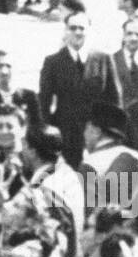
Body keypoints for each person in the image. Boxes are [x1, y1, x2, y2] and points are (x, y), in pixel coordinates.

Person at [38, 11, 120, 157]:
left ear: (89, 31)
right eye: (73, 28)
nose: (77, 32)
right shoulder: (53, 62)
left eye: (82, 28)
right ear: (65, 31)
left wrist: (112, 133)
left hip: (98, 136)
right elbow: (44, 102)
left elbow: (115, 100)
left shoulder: (103, 59)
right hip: (66, 137)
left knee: (95, 178)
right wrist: (50, 134)